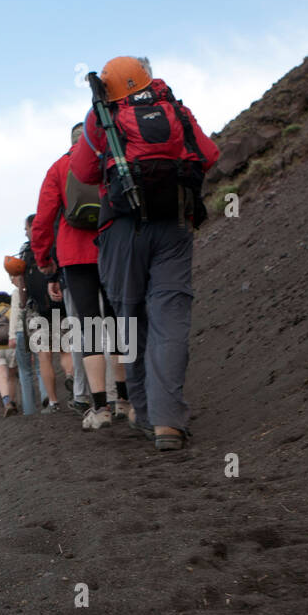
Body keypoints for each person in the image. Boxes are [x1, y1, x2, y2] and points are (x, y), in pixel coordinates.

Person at [70, 56, 219, 450]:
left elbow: (83, 172)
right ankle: (168, 422)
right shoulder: (176, 109)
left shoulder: (101, 117)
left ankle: (144, 412)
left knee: (129, 321)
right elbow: (209, 154)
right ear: (147, 79)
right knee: (170, 320)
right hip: (172, 224)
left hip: (120, 230)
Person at [31, 124, 130, 432]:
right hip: (112, 246)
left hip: (75, 256)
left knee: (88, 326)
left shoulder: (59, 167)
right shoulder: (110, 159)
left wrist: (45, 260)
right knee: (118, 323)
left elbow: (43, 220)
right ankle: (126, 402)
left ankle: (100, 408)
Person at [16, 215, 66, 412]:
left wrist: (22, 304)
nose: (25, 232)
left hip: (37, 310)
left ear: (31, 228)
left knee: (44, 356)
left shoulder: (27, 252)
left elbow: (21, 283)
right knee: (66, 350)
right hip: (60, 305)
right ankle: (74, 385)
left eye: (26, 228)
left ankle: (53, 401)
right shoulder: (56, 242)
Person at [5, 253, 40, 415]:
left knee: (25, 372)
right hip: (38, 328)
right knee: (41, 368)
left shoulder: (16, 292)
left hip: (20, 333)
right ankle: (49, 402)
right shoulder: (33, 286)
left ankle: (29, 410)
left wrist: (11, 336)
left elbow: (15, 316)